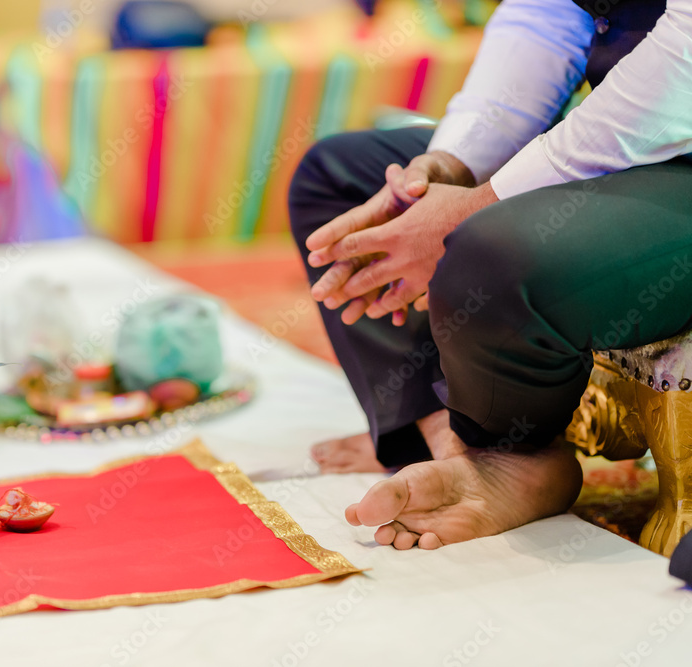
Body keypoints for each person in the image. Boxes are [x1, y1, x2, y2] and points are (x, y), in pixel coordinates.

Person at [289, 0, 692, 549]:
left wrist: (474, 205)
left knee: (490, 247)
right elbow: (544, 16)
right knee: (341, 180)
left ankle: (513, 457)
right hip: (624, 142)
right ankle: (453, 441)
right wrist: (447, 170)